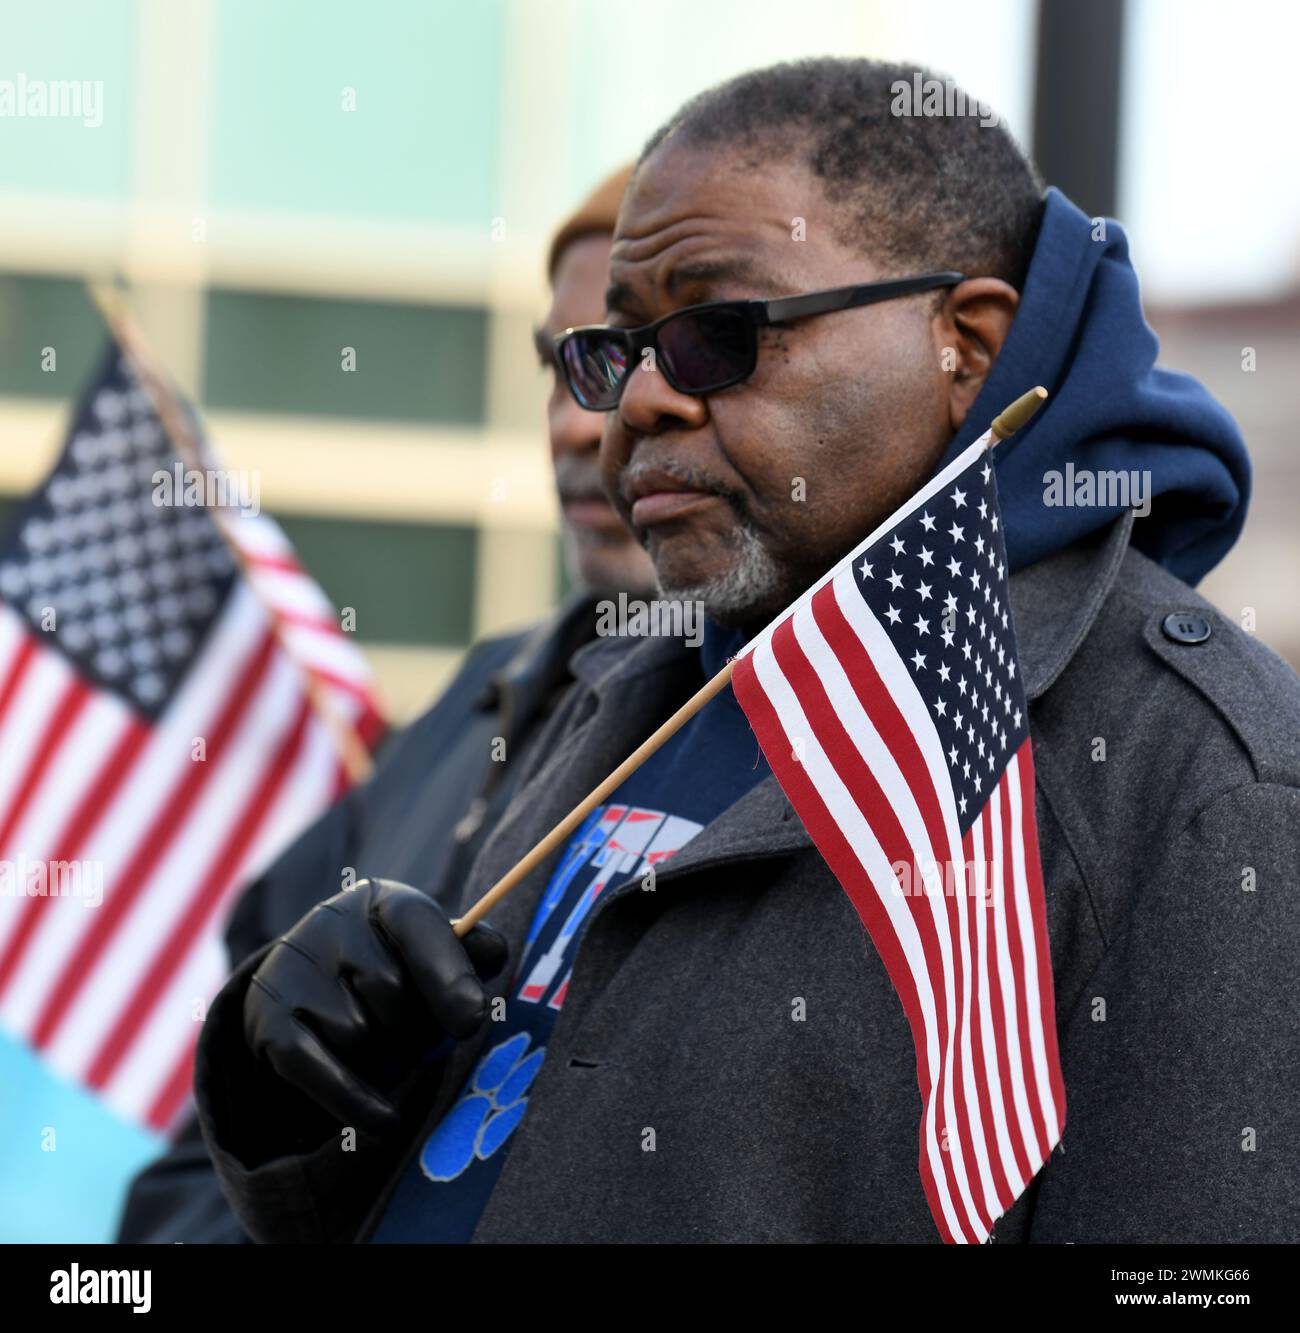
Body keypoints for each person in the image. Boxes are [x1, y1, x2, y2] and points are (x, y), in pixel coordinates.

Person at [193, 59, 1300, 1244]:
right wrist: (288, 1088)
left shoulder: (1193, 772)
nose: (637, 407)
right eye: (611, 351)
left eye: (717, 334)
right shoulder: (632, 678)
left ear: (963, 345)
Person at [115, 165, 654, 1242]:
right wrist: (278, 1118)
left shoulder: (806, 735)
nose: (570, 427)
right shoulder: (457, 716)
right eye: (560, 368)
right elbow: (181, 1200)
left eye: (625, 363)